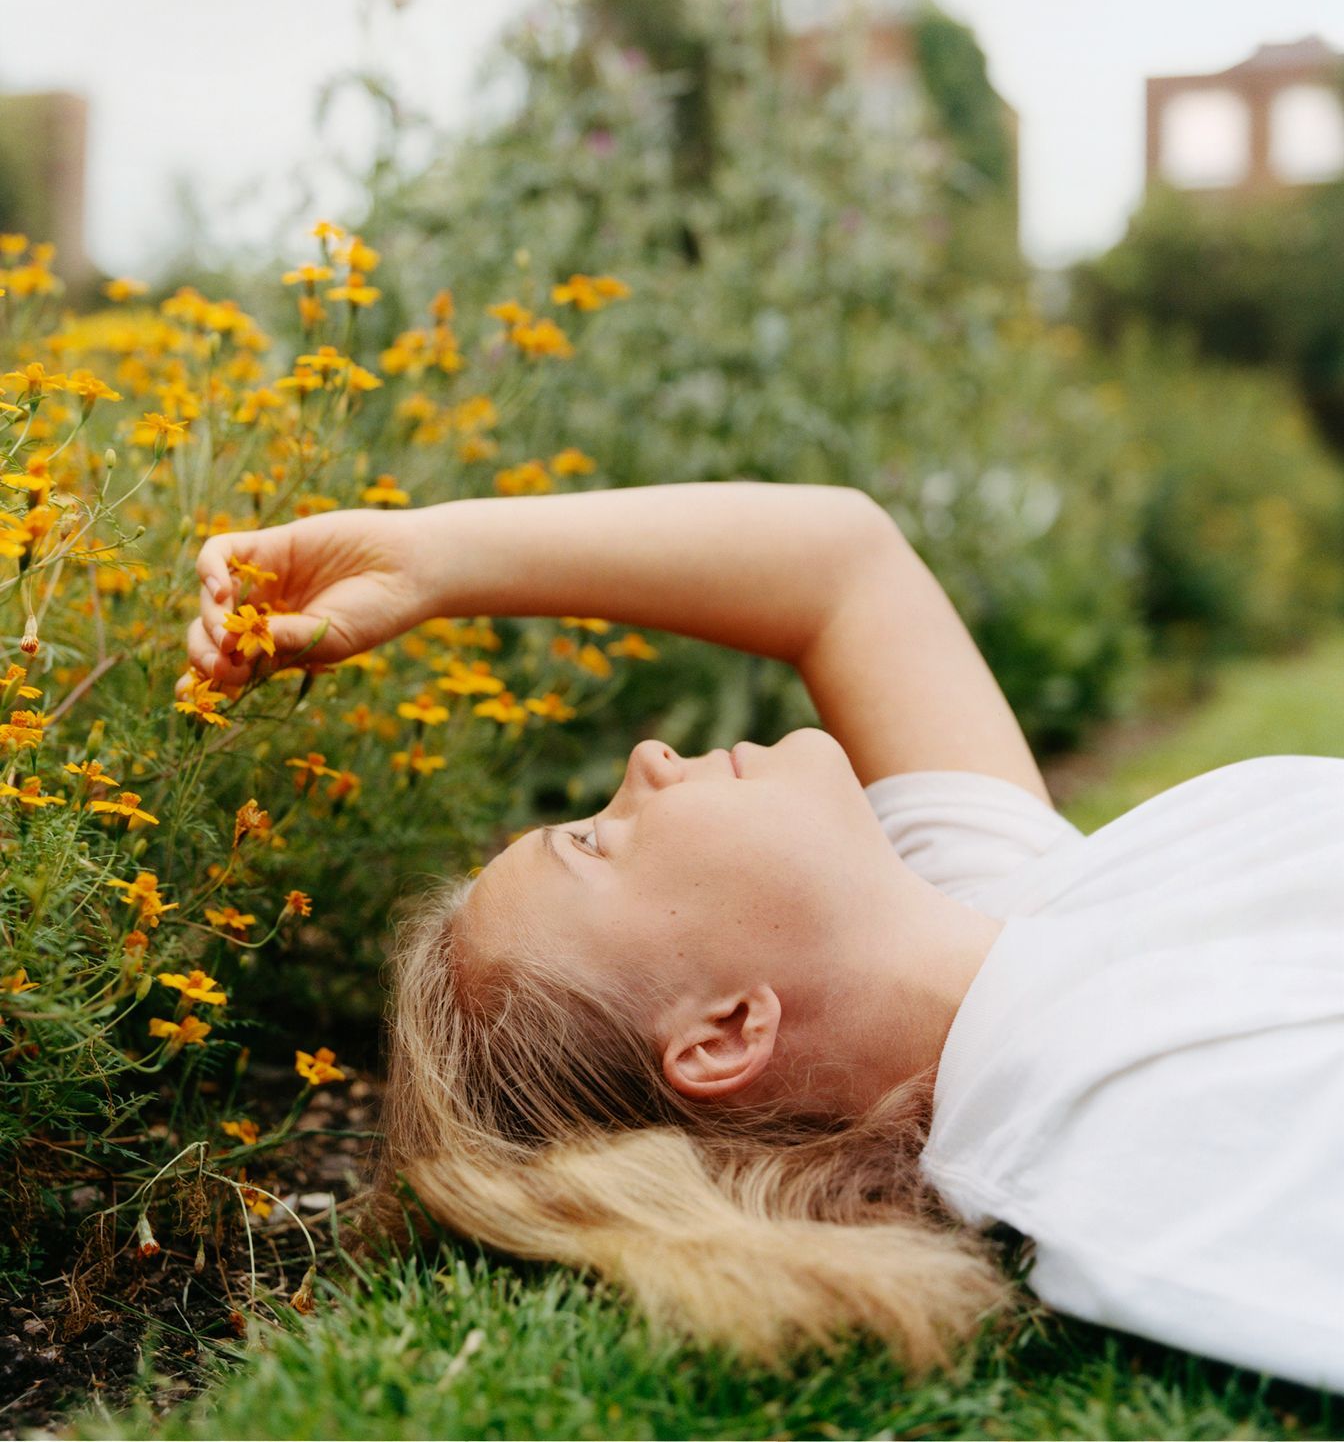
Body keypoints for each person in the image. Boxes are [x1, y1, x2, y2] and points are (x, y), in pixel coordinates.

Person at [176, 481, 1344, 1394]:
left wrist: (425, 560)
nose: (641, 764)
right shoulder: (1125, 1129)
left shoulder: (1013, 910)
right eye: (595, 840)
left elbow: (842, 565)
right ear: (727, 1029)